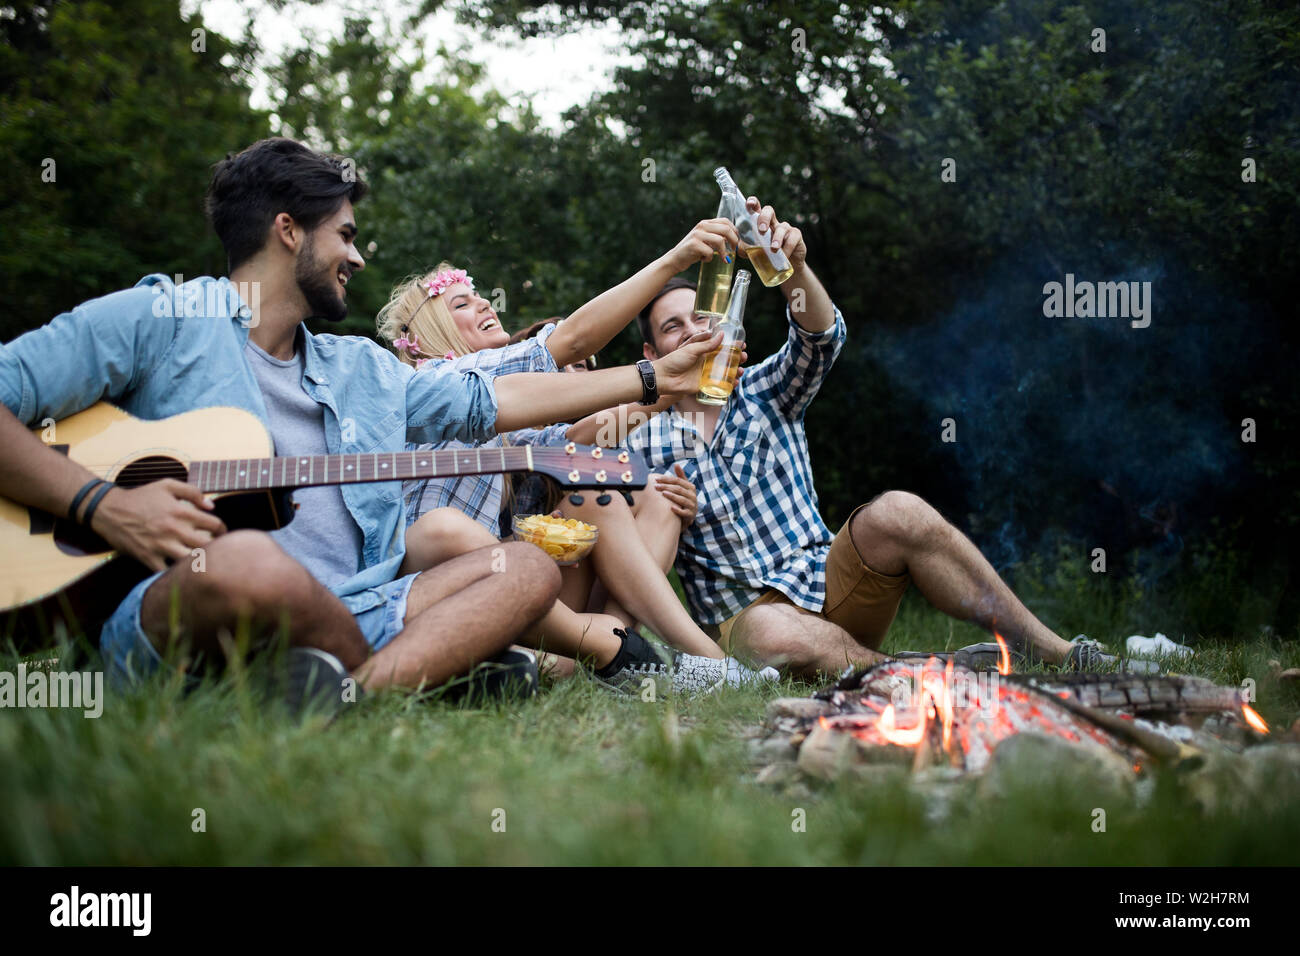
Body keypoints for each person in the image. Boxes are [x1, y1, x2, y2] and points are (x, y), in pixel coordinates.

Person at [0, 137, 721, 695]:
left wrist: (652, 376)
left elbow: (494, 401)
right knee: (248, 560)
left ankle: (347, 693)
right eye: (344, 234)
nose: (356, 256)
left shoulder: (363, 369)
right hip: (192, 599)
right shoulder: (160, 317)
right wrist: (101, 503)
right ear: (288, 230)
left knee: (526, 568)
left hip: (358, 605)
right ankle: (409, 675)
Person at [606, 196, 1118, 678]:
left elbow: (822, 339)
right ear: (651, 356)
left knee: (901, 509)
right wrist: (662, 508)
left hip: (828, 582)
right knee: (769, 626)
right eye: (672, 327)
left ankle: (1060, 651)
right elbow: (615, 538)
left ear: (721, 321)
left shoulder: (763, 388)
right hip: (747, 623)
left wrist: (795, 268)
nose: (692, 330)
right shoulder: (638, 437)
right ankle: (922, 672)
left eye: (701, 316)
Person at [374, 231, 776, 692]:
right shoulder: (435, 379)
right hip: (431, 592)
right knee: (449, 526)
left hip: (500, 587)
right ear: (426, 335)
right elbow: (571, 338)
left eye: (481, 297)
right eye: (463, 303)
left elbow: (575, 437)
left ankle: (623, 657)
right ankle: (691, 662)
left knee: (604, 496)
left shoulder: (492, 411)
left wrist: (672, 388)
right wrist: (674, 259)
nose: (485, 304)